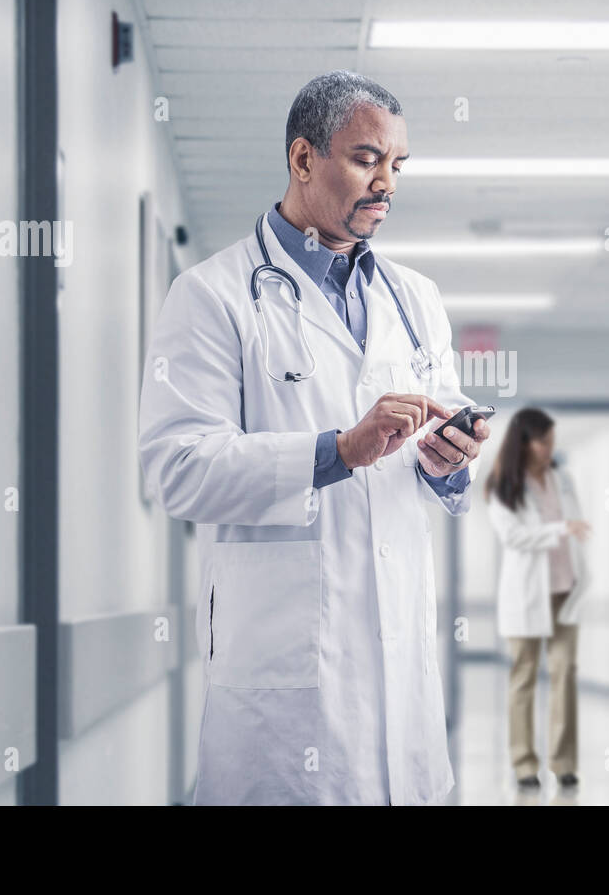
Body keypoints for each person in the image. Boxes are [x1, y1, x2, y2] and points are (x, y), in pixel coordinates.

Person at [137, 70, 491, 805]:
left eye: (397, 165)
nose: (387, 182)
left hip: (403, 695)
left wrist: (448, 463)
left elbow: (438, 452)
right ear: (303, 160)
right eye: (367, 158)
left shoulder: (416, 301)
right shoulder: (212, 295)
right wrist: (337, 451)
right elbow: (175, 468)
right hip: (283, 695)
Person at [484, 409, 592, 791]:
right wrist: (561, 528)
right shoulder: (503, 486)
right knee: (524, 679)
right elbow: (515, 537)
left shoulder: (562, 479)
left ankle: (564, 763)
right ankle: (524, 763)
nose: (550, 449)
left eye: (552, 442)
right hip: (527, 596)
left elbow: (577, 526)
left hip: (566, 592)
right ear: (524, 443)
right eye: (543, 441)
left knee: (565, 676)